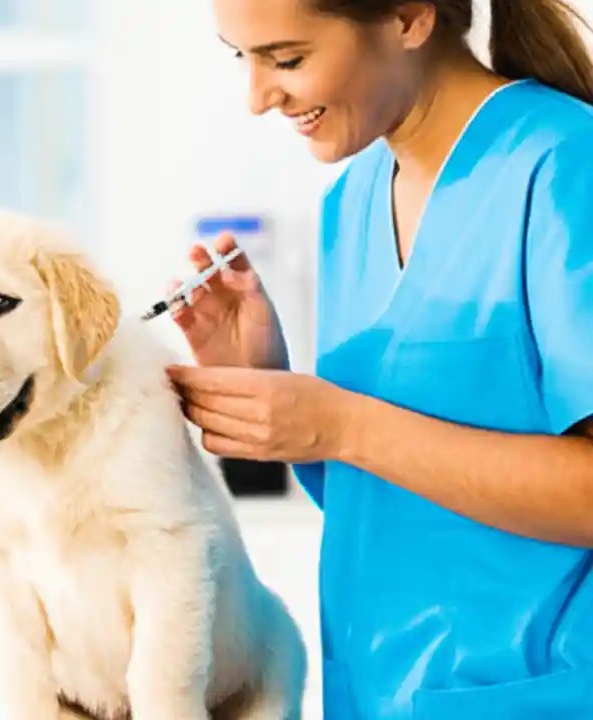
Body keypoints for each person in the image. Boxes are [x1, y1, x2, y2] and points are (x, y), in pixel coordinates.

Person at [163, 0, 593, 718]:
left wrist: (341, 424)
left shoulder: (564, 166)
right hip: (375, 695)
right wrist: (267, 379)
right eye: (245, 59)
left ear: (408, 18)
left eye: (287, 59)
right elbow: (392, 502)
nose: (258, 98)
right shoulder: (352, 204)